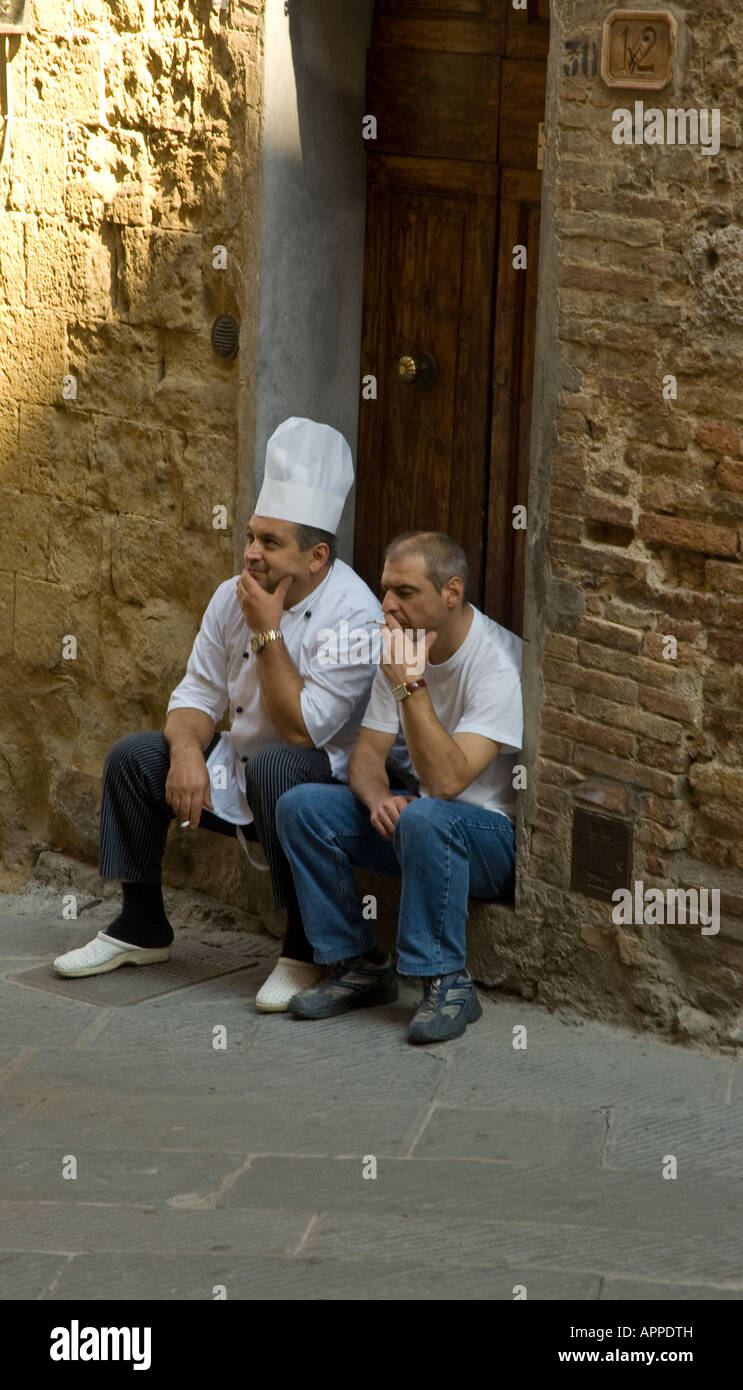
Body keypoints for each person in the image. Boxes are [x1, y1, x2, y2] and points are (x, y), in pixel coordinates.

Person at [53, 418, 384, 1010]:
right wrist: (185, 754)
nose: (252, 553)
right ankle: (141, 927)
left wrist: (267, 634)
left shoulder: (354, 616)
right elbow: (196, 695)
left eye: (270, 543)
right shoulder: (230, 596)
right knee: (136, 757)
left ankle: (303, 951)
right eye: (251, 536)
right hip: (241, 764)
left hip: (317, 784)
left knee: (279, 767)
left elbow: (302, 729)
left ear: (317, 557)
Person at [275, 531, 523, 1044]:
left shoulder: (499, 664)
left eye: (404, 593)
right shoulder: (402, 649)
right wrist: (377, 799)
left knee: (428, 815)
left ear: (452, 592)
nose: (386, 605)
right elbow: (366, 759)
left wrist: (410, 685)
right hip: (420, 825)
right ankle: (357, 964)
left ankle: (447, 981)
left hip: (488, 841)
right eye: (385, 589)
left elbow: (448, 781)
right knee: (303, 807)